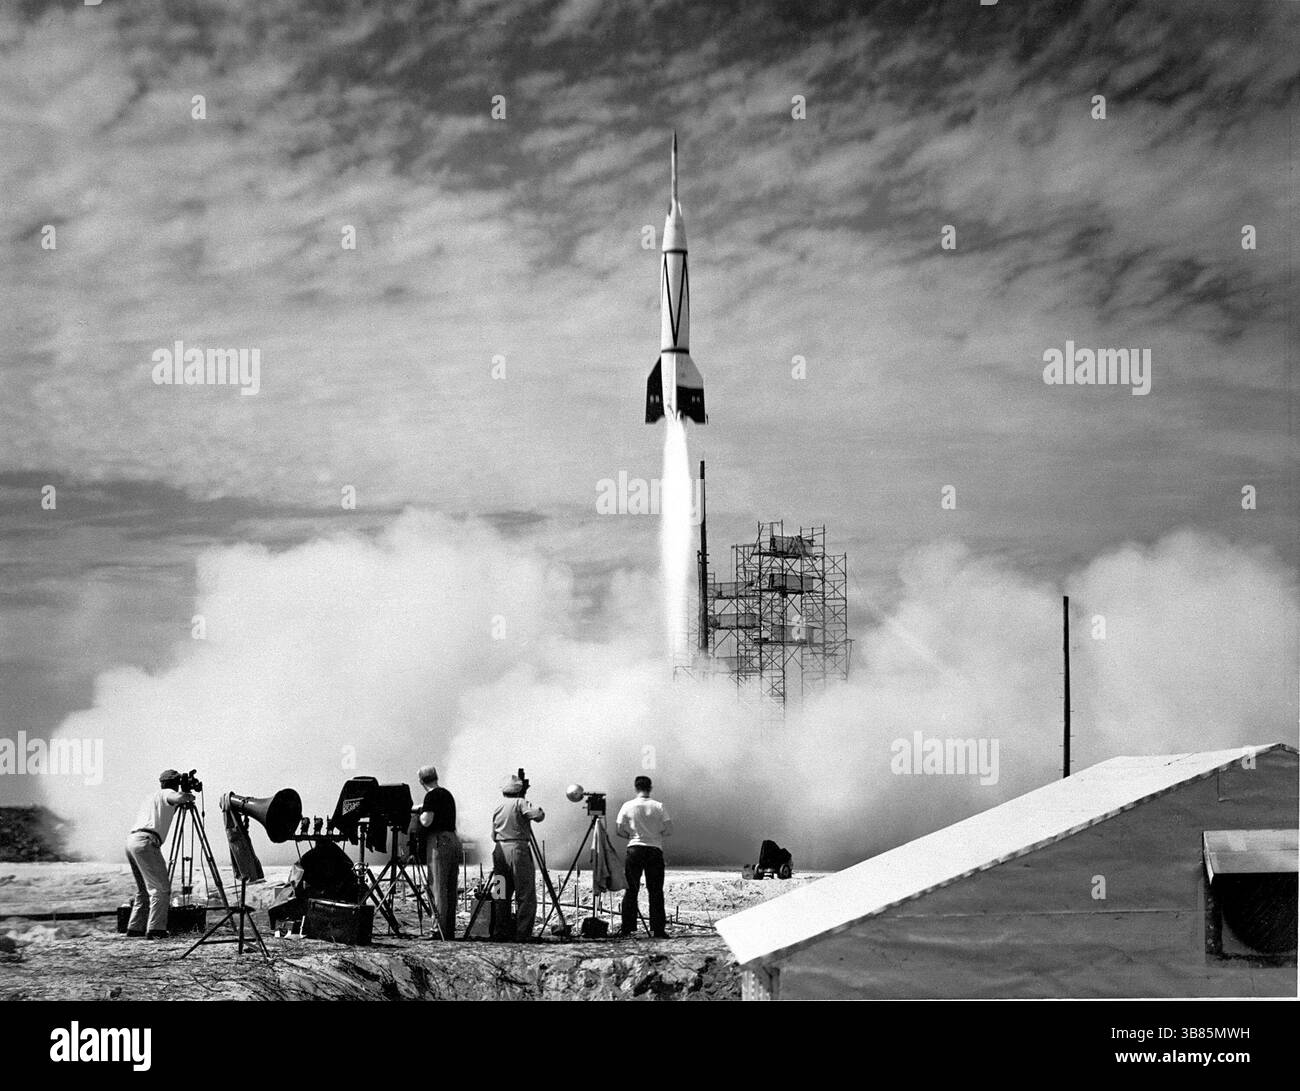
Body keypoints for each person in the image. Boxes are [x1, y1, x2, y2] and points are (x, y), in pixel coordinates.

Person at [124, 769, 193, 938]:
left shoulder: (152, 796)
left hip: (132, 840)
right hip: (146, 842)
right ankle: (156, 929)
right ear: (175, 784)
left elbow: (169, 808)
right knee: (161, 889)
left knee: (143, 890)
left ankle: (135, 928)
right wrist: (187, 795)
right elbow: (179, 798)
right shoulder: (167, 793)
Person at [615, 776, 672, 938]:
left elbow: (619, 829)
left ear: (635, 788)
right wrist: (655, 835)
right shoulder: (658, 806)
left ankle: (627, 927)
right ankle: (658, 929)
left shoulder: (627, 806)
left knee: (631, 889)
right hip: (654, 849)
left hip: (634, 849)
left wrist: (633, 836)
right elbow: (669, 829)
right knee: (655, 890)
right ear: (650, 788)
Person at [491, 772, 544, 941]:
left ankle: (500, 931)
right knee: (525, 892)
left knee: (500, 892)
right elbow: (536, 816)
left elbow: (493, 834)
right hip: (517, 849)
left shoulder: (498, 806)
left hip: (499, 850)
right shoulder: (520, 802)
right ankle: (522, 933)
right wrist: (540, 811)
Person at [416, 765, 460, 940]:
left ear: (421, 781)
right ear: (436, 776)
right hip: (452, 839)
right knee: (450, 886)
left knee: (438, 886)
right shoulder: (446, 794)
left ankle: (438, 929)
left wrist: (419, 815)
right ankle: (448, 928)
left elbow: (427, 821)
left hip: (438, 841)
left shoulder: (431, 796)